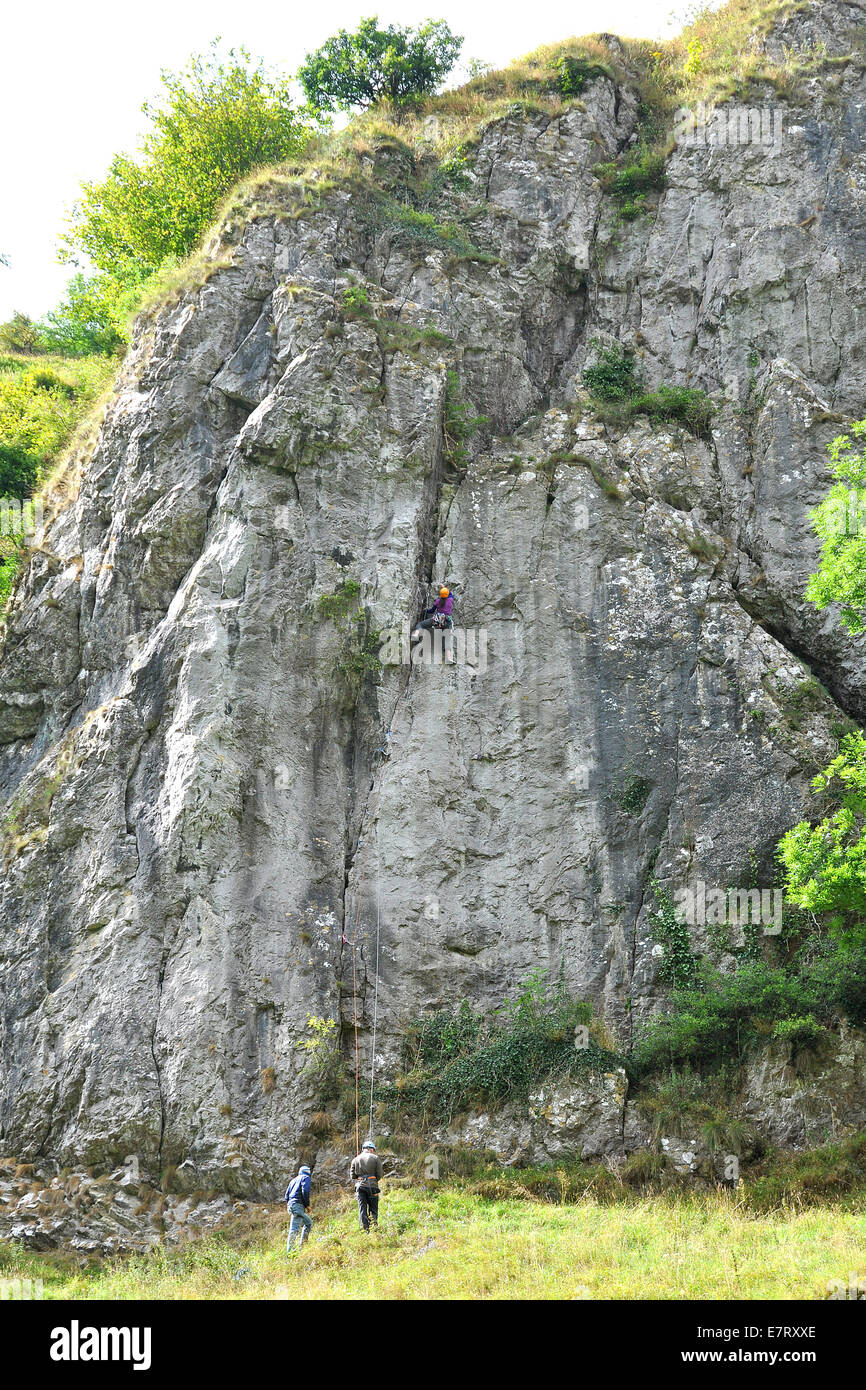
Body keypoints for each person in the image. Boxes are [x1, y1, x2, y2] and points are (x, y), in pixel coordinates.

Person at [412, 586, 455, 664]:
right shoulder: (450, 600)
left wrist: (426, 610)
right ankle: (448, 658)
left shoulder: (438, 601)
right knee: (447, 639)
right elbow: (450, 593)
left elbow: (431, 610)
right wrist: (444, 587)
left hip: (436, 620)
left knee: (420, 624)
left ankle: (416, 634)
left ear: (441, 595)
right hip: (446, 621)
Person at [350, 1140, 384, 1232]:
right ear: (371, 1149)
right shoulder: (375, 1158)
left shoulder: (355, 1159)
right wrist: (373, 1179)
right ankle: (374, 1228)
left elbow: (352, 1176)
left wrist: (361, 1176)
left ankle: (365, 1230)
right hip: (372, 1186)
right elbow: (380, 1174)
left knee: (362, 1209)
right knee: (373, 1208)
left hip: (360, 1187)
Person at [285, 1164, 313, 1253]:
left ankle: (303, 1245)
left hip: (291, 1205)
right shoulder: (305, 1178)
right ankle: (290, 1252)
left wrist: (291, 1204)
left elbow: (286, 1196)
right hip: (298, 1206)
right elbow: (305, 1191)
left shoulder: (293, 1180)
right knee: (294, 1229)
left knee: (308, 1223)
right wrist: (307, 1205)